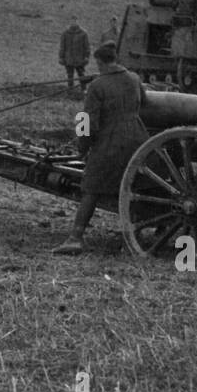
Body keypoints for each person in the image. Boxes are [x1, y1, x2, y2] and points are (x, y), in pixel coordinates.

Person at [52, 44, 149, 254]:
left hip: (110, 142)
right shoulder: (134, 78)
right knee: (131, 185)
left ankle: (75, 237)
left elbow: (88, 122)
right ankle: (133, 233)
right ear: (115, 58)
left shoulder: (97, 86)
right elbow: (146, 103)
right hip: (138, 139)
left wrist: (82, 147)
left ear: (100, 62)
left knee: (91, 186)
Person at [58, 15, 91, 92]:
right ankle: (70, 90)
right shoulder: (65, 33)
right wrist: (61, 57)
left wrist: (86, 57)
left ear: (77, 21)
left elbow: (87, 46)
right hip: (69, 59)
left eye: (75, 21)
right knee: (70, 76)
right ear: (70, 22)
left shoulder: (83, 33)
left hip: (80, 59)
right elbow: (62, 47)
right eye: (72, 21)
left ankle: (84, 90)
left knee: (81, 75)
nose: (73, 22)